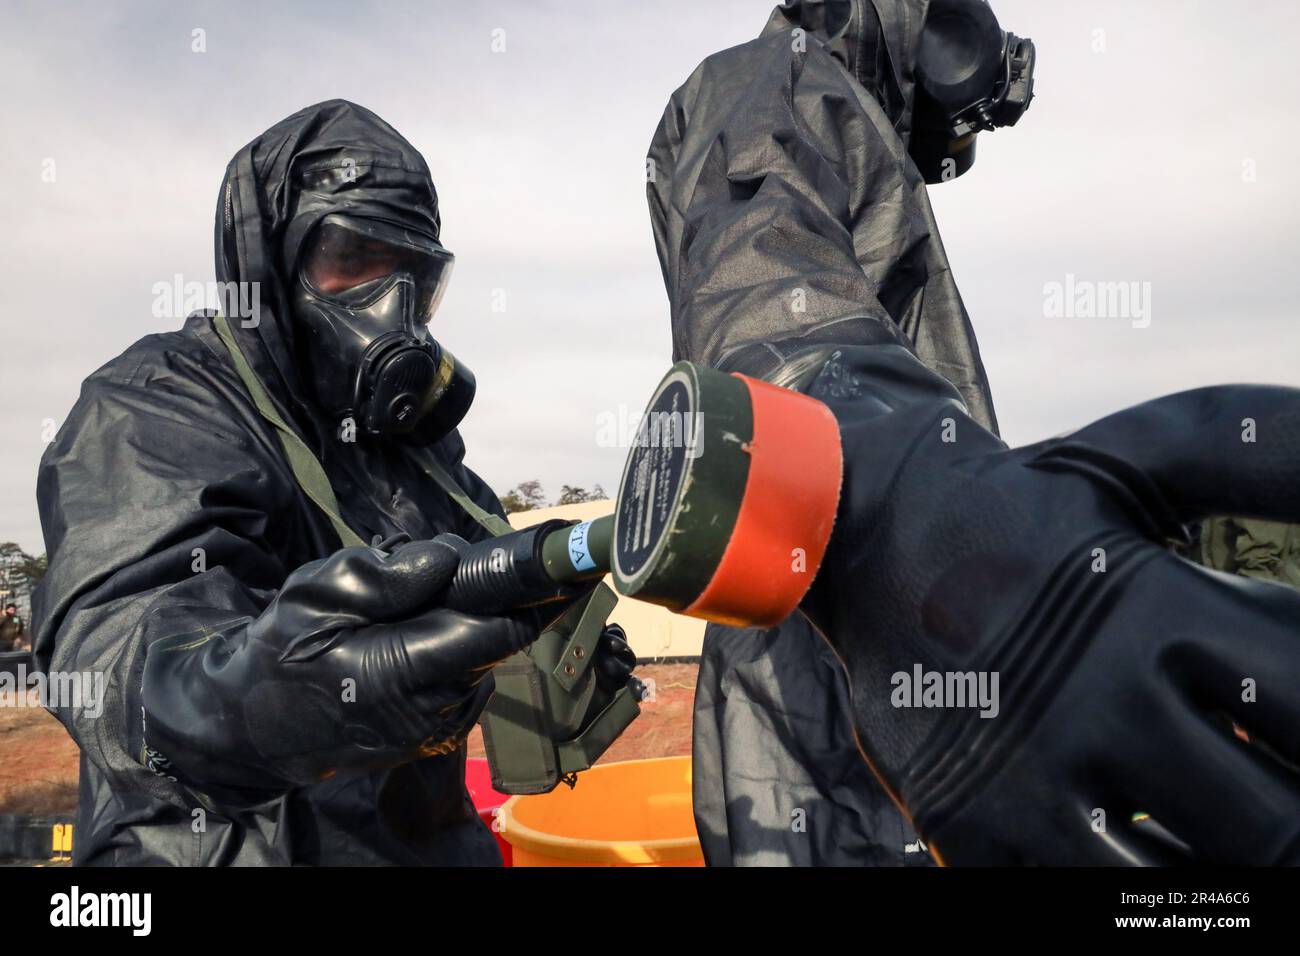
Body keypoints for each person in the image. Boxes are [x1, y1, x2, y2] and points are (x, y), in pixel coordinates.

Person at [649, 0, 1300, 865]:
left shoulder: (844, 112)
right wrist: (900, 499)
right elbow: (761, 274)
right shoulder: (776, 76)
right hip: (846, 667)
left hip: (873, 650)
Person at [32, 101, 631, 866]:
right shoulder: (157, 403)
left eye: (416, 278)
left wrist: (554, 649)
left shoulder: (416, 446)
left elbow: (497, 578)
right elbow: (124, 644)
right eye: (354, 259)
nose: (393, 311)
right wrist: (244, 701)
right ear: (269, 262)